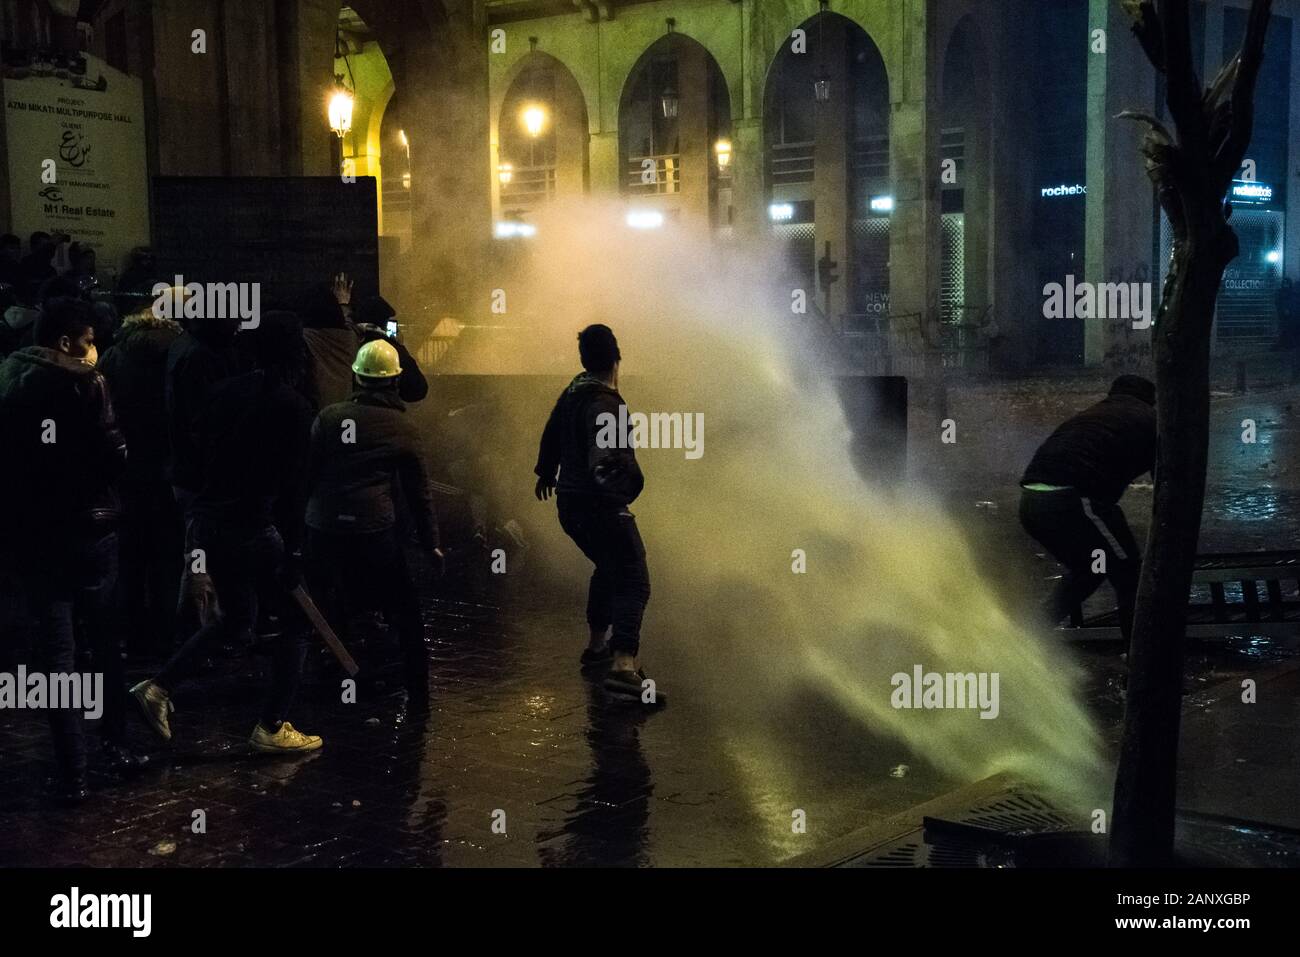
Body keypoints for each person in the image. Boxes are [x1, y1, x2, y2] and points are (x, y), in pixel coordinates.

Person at [130, 312, 321, 753]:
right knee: (296, 622)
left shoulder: (223, 393)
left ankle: (158, 688)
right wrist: (294, 551)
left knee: (235, 621)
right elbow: (293, 489)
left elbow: (197, 454)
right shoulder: (292, 406)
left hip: (212, 520)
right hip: (255, 526)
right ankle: (272, 726)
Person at [0, 297, 142, 803]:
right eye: (86, 340)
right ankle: (116, 746)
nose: (92, 349)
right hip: (88, 530)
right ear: (66, 341)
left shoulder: (7, 379)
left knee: (56, 655)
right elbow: (114, 457)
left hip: (32, 537)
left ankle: (73, 771)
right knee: (104, 642)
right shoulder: (86, 384)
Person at [305, 338, 443, 714]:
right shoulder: (402, 427)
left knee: (329, 606)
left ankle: (329, 683)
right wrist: (431, 542)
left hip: (323, 528)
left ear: (356, 377)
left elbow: (308, 474)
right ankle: (418, 695)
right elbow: (419, 493)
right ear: (394, 382)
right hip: (373, 531)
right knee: (404, 609)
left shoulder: (328, 417)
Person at [534, 324, 659, 703]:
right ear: (616, 360)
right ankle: (623, 666)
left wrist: (545, 471)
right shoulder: (606, 403)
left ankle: (596, 648)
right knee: (633, 577)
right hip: (597, 505)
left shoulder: (574, 391)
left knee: (608, 568)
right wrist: (631, 488)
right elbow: (605, 463)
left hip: (570, 504)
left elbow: (552, 431)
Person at [1019, 374, 1157, 643]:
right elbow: (1166, 484)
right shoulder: (1150, 421)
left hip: (1031, 502)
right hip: (1076, 500)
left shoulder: (1097, 413)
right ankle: (1142, 662)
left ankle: (1028, 638)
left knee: (1090, 569)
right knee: (1129, 574)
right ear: (1151, 400)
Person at [99, 306, 184, 656]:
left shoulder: (115, 355)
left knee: (130, 557)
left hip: (126, 470)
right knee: (168, 557)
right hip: (167, 468)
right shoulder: (179, 352)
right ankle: (166, 636)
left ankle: (127, 633)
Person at [165, 292, 241, 632]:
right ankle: (196, 631)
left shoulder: (187, 345)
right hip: (201, 477)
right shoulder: (202, 357)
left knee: (198, 553)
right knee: (199, 558)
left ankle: (200, 627)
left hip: (186, 471)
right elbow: (204, 422)